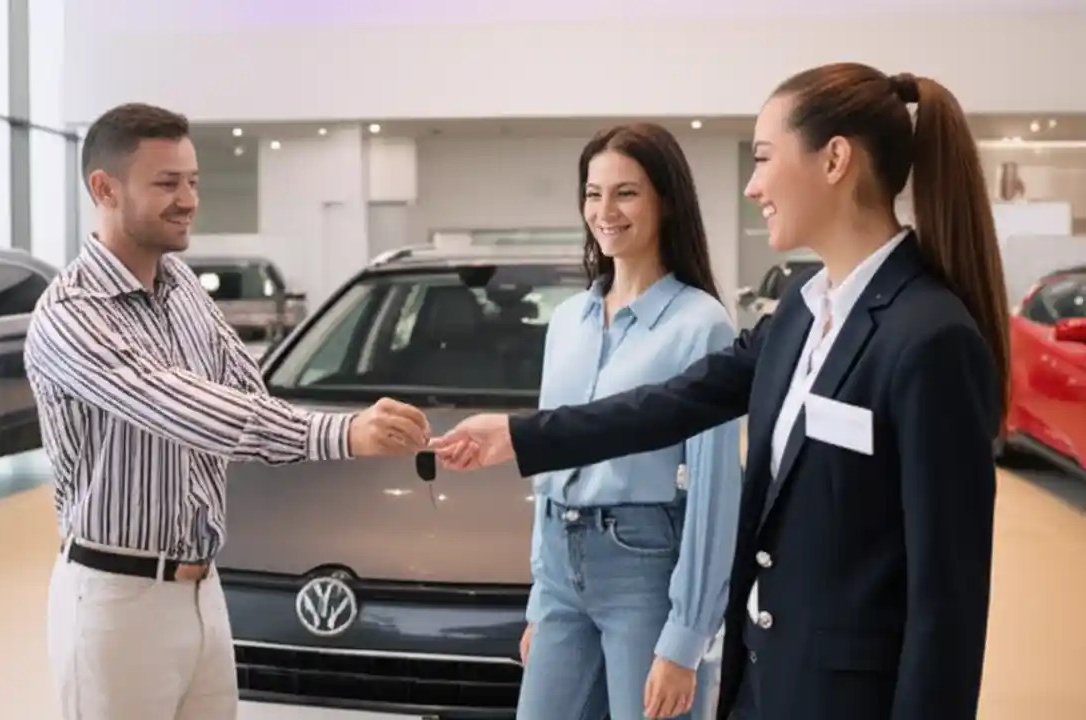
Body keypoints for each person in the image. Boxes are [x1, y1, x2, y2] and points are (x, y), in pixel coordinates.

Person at [431, 62, 1008, 720]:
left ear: (835, 160)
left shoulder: (929, 337)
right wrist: (518, 435)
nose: (753, 186)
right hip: (766, 681)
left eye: (763, 159)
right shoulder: (801, 308)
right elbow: (673, 403)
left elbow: (948, 604)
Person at [24, 102, 430, 720]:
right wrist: (341, 432)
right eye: (166, 183)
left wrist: (367, 433)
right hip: (116, 603)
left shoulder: (183, 287)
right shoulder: (70, 314)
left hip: (204, 591)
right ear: (103, 188)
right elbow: (178, 406)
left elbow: (248, 399)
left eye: (192, 182)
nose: (187, 199)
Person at [514, 123, 741, 720]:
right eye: (593, 193)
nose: (604, 210)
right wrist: (542, 597)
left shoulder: (702, 325)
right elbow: (550, 466)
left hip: (642, 570)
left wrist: (686, 640)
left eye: (626, 193)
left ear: (666, 200)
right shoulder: (568, 320)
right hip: (562, 572)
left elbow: (716, 496)